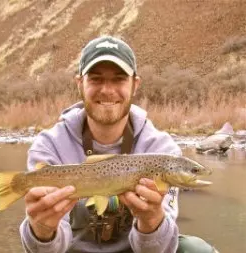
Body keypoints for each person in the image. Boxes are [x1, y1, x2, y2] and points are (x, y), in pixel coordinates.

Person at [19, 35, 218, 253]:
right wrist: (41, 230)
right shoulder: (49, 145)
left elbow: (160, 250)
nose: (107, 90)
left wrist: (152, 221)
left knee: (196, 250)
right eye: (95, 79)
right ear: (80, 84)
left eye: (119, 79)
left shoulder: (161, 149)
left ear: (135, 84)